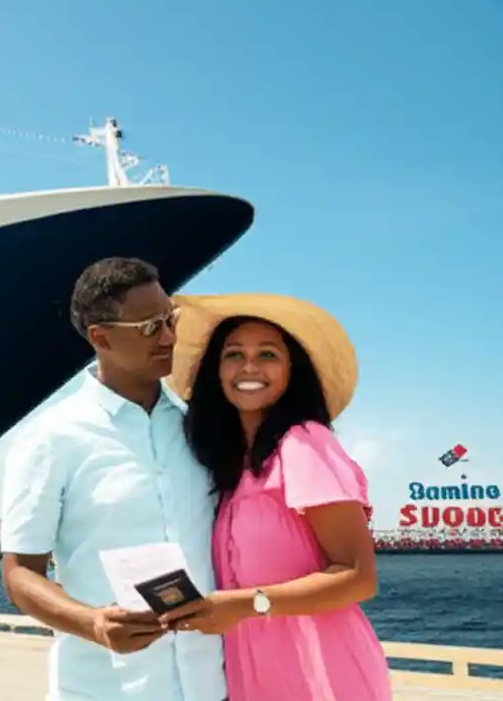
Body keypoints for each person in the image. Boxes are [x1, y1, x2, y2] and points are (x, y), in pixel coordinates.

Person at [0, 257, 226, 701]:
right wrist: (93, 623)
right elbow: (19, 575)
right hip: (104, 688)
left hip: (209, 685)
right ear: (100, 337)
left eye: (170, 319)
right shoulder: (51, 438)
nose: (168, 337)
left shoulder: (200, 431)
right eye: (150, 327)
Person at [157, 293, 392, 701]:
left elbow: (359, 576)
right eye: (233, 354)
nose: (249, 366)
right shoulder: (231, 468)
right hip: (251, 676)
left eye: (268, 355)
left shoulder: (303, 444)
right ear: (216, 370)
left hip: (321, 672)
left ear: (290, 373)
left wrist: (246, 605)